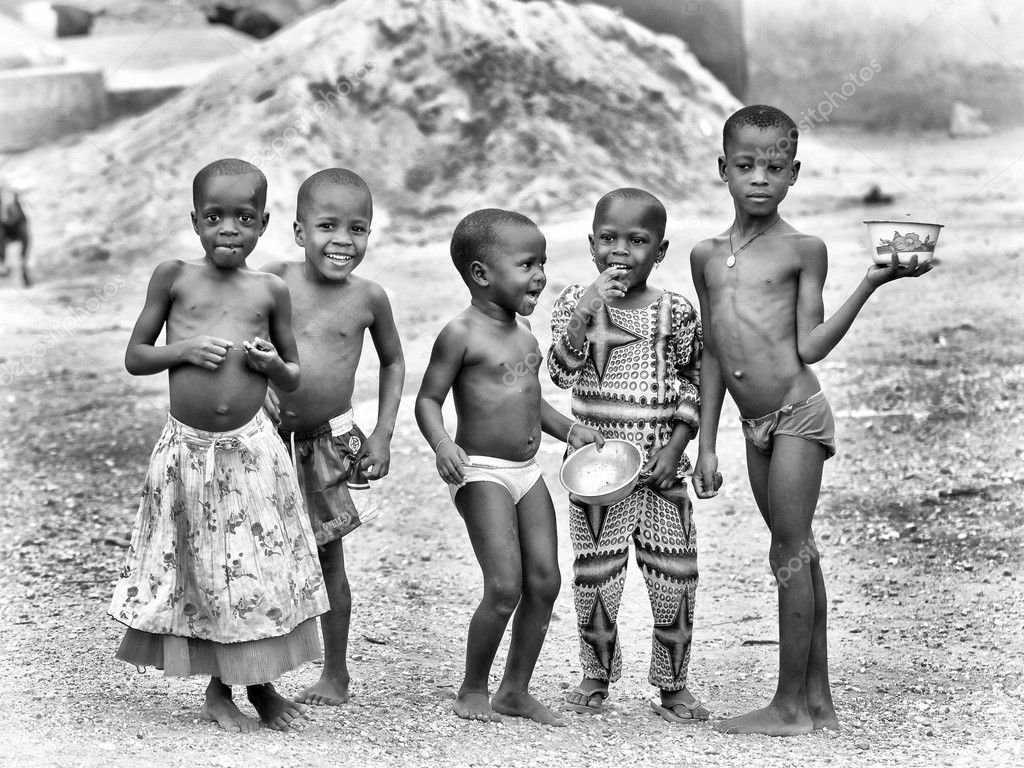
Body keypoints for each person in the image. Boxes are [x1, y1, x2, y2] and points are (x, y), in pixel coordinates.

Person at [690, 105, 932, 736]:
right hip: (752, 427)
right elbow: (714, 350)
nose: (759, 179)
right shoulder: (706, 256)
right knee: (800, 555)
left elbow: (811, 347)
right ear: (723, 169)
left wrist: (871, 283)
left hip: (798, 414)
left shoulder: (804, 250)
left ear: (793, 173)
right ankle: (817, 699)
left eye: (774, 167)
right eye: (745, 166)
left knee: (788, 552)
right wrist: (708, 445)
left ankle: (788, 704)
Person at [109, 158, 329, 733]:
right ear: (194, 221)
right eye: (214, 217)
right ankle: (218, 690)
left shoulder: (271, 289)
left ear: (263, 224)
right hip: (188, 453)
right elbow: (136, 357)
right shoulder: (174, 277)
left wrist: (270, 363)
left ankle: (260, 687)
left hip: (252, 453)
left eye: (243, 217)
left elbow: (293, 377)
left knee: (254, 571)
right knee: (206, 571)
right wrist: (180, 351)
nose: (228, 229)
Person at [415, 208, 604, 726]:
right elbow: (428, 400)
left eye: (542, 263)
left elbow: (532, 402)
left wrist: (572, 430)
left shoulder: (524, 335)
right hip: (481, 471)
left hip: (527, 472)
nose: (540, 275)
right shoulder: (460, 334)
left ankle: (514, 690)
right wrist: (442, 445)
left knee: (544, 581)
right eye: (526, 265)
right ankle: (472, 688)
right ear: (481, 274)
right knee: (504, 586)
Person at [548, 188, 709, 724]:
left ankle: (672, 683)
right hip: (597, 475)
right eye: (609, 239)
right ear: (591, 243)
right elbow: (561, 371)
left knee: (676, 578)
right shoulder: (573, 302)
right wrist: (589, 307)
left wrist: (679, 444)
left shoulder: (677, 311)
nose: (621, 251)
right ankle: (596, 675)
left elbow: (694, 379)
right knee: (597, 579)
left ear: (659, 251)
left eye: (637, 241)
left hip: (664, 473)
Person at [263, 168, 405, 707]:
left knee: (328, 561)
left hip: (325, 443)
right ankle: (260, 673)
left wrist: (384, 434)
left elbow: (393, 362)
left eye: (358, 229)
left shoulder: (369, 298)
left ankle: (335, 673)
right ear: (299, 231)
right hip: (265, 442)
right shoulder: (273, 281)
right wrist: (255, 393)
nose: (343, 241)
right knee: (261, 554)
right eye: (327, 226)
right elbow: (242, 342)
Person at [0, 179, 31, 287]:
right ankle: (3, 264)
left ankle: (25, 274)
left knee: (23, 256)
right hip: (5, 229)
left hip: (18, 228)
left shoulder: (18, 203)